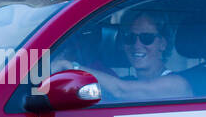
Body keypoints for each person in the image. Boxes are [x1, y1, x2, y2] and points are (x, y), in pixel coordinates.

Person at [52, 9, 191, 101]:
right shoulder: (126, 81)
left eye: (146, 38)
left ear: (163, 44)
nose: (137, 45)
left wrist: (73, 67)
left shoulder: (176, 84)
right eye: (129, 37)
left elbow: (121, 90)